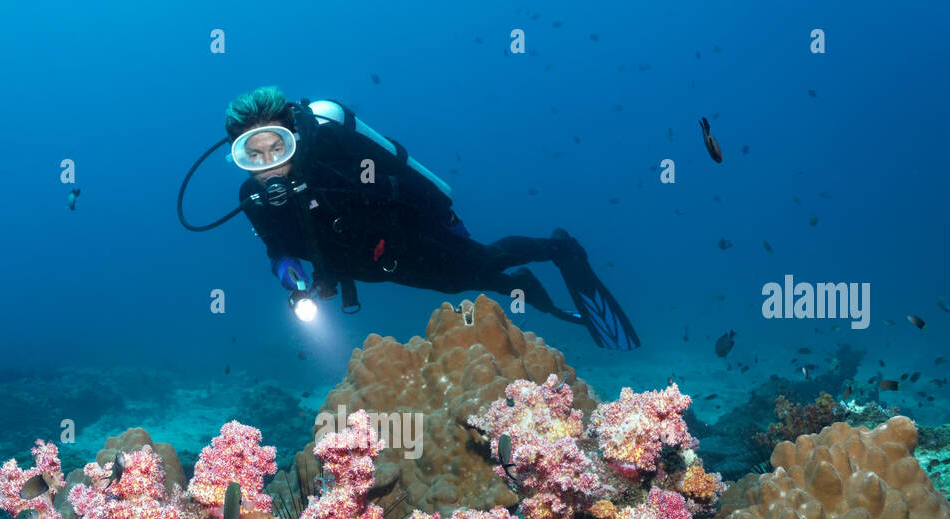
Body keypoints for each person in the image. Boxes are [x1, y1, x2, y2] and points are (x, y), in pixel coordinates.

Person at [218, 86, 640, 349]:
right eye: (251, 154)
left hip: (408, 241)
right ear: (237, 156)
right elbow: (278, 251)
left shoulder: (332, 162)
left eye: (278, 147)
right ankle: (521, 285)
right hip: (371, 268)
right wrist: (294, 279)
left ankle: (561, 248)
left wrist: (444, 224)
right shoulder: (253, 199)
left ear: (294, 138)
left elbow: (401, 191)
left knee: (479, 266)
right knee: (473, 280)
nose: (268, 163)